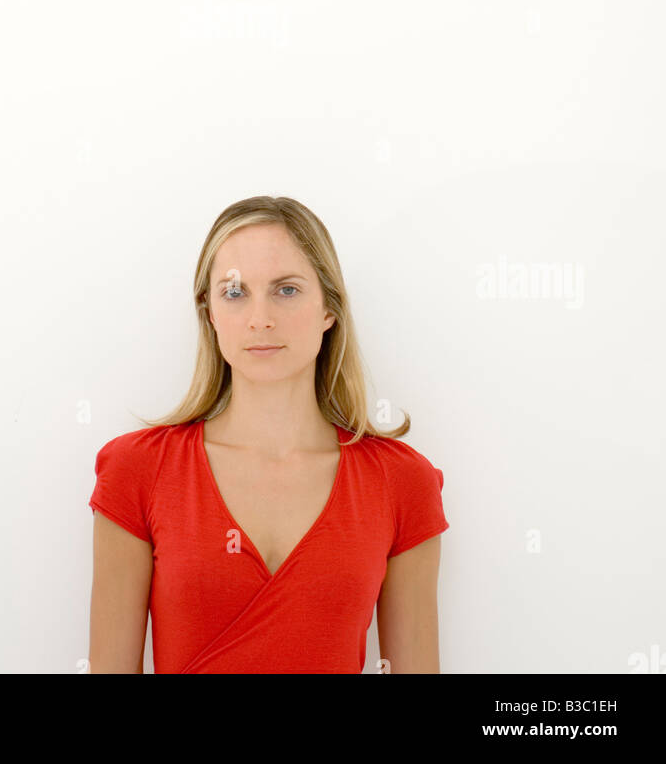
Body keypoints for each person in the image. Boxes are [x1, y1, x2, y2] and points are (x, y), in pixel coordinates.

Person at [87, 195, 449, 674]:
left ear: (329, 310)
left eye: (287, 290)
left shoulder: (401, 481)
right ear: (210, 313)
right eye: (235, 293)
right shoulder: (138, 470)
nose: (260, 318)